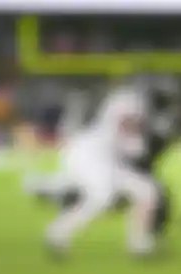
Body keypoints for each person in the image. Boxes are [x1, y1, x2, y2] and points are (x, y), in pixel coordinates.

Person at [41, 87, 160, 257]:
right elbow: (123, 118)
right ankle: (57, 233)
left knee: (147, 191)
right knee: (102, 197)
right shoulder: (120, 110)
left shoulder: (133, 134)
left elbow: (136, 150)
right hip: (87, 155)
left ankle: (138, 243)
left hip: (108, 162)